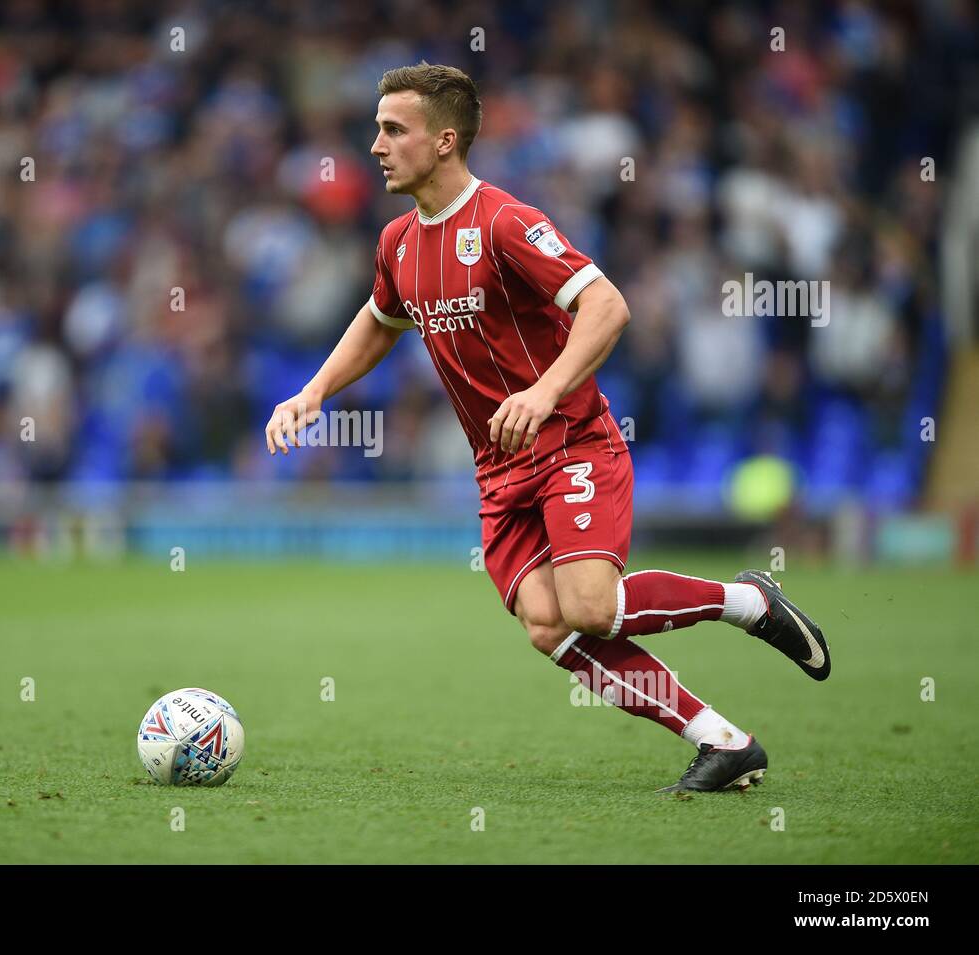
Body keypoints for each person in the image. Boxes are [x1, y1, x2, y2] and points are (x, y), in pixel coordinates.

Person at [263, 63, 830, 792]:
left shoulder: (503, 221)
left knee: (592, 608)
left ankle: (749, 601)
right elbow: (380, 321)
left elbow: (608, 306)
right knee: (547, 623)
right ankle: (721, 739)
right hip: (498, 469)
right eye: (376, 127)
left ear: (443, 141)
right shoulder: (398, 243)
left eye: (392, 129)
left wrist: (544, 388)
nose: (375, 144)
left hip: (569, 442)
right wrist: (313, 392)